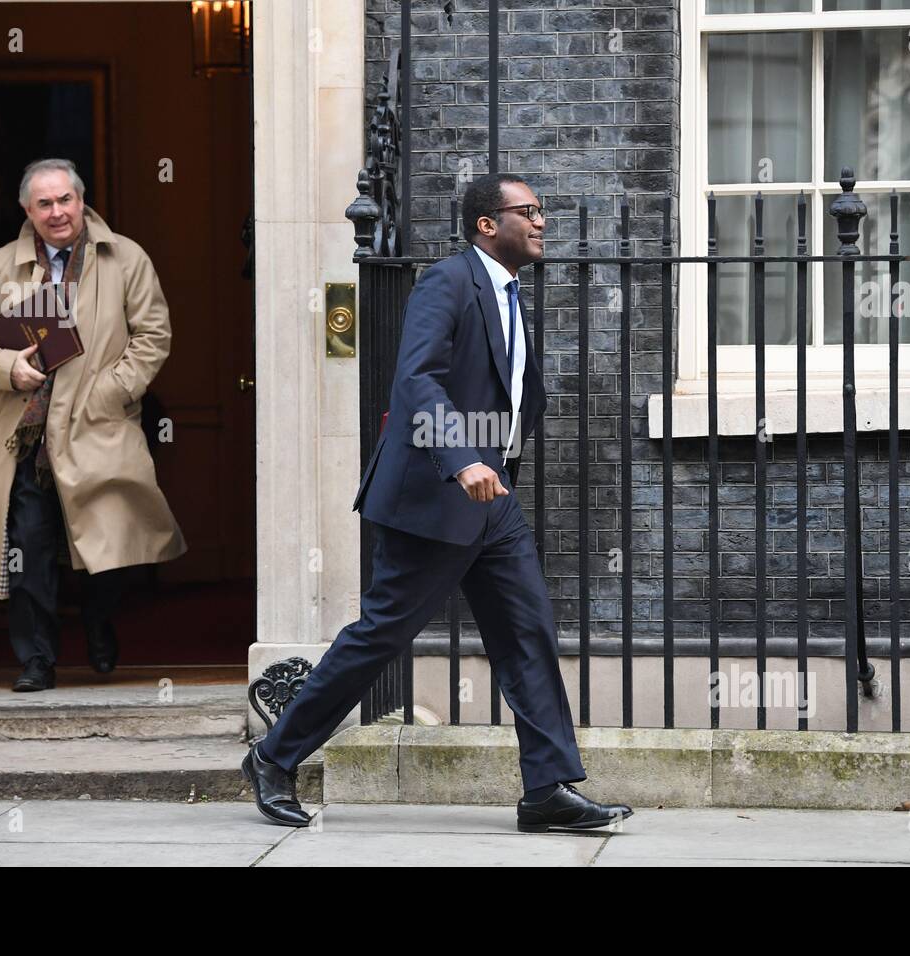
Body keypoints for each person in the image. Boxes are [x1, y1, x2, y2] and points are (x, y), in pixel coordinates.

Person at [241, 173, 633, 833]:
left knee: (526, 631)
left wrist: (495, 460)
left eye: (541, 212)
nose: (541, 222)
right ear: (487, 223)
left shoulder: (509, 294)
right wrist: (463, 458)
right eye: (528, 211)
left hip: (493, 499)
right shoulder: (446, 283)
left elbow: (507, 393)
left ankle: (546, 787)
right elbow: (417, 379)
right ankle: (274, 757)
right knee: (381, 636)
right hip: (437, 494)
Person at [0, 158, 187, 691]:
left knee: (115, 543)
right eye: (45, 204)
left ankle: (98, 618)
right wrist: (6, 368)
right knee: (29, 547)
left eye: (65, 200)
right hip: (27, 434)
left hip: (98, 424)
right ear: (27, 210)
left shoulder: (126, 258)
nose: (57, 212)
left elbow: (152, 338)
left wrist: (111, 391)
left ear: (81, 200)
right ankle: (37, 659)